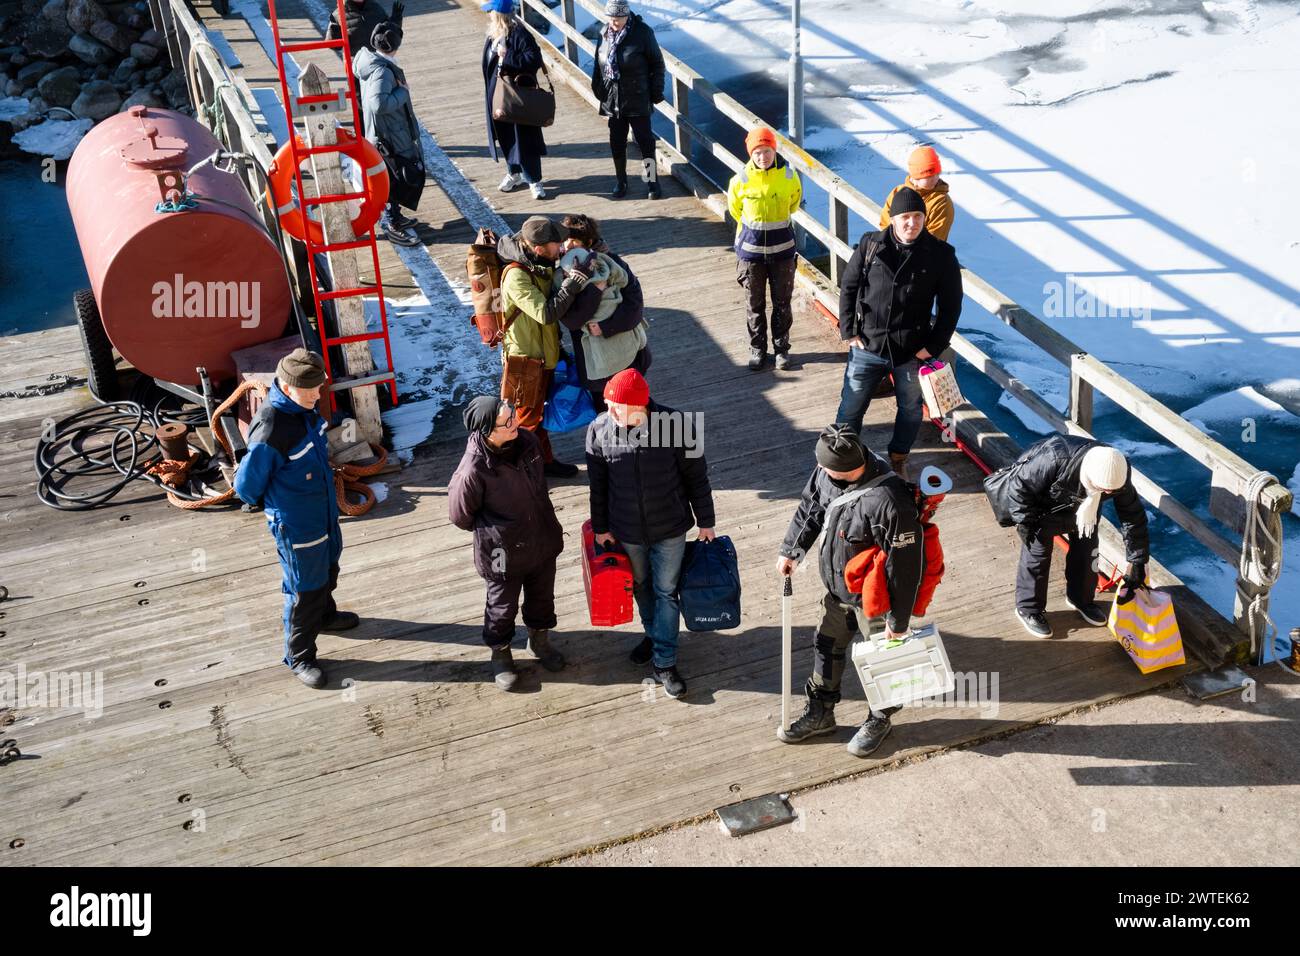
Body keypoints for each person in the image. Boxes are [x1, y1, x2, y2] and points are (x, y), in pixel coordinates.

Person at [775, 424, 924, 757]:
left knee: (882, 662)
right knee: (826, 647)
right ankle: (821, 713)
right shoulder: (826, 473)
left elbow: (905, 566)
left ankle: (880, 719)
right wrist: (792, 550)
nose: (820, 472)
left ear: (846, 467)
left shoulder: (890, 501)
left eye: (825, 468)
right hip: (838, 592)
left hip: (877, 601)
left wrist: (898, 621)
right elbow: (811, 507)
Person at [585, 369, 716, 699]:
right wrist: (600, 527)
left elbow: (697, 479)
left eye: (617, 406)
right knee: (641, 587)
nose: (610, 413)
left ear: (639, 405)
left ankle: (665, 662)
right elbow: (597, 487)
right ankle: (655, 633)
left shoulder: (676, 426)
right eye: (608, 404)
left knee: (666, 592)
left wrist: (706, 521)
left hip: (669, 528)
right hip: (626, 530)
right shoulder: (599, 430)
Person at [234, 349, 359, 689]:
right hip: (296, 524)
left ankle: (326, 616)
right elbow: (245, 486)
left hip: (323, 515)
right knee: (304, 589)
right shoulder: (272, 426)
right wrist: (277, 505)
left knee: (329, 567)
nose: (318, 395)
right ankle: (299, 655)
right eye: (310, 390)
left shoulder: (304, 408)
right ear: (288, 388)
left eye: (319, 387)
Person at [836, 186, 963, 479]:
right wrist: (849, 332)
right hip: (868, 343)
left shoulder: (941, 255)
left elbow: (951, 307)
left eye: (918, 216)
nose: (911, 223)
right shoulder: (871, 244)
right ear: (893, 219)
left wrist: (932, 347)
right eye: (905, 216)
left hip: (912, 350)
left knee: (910, 409)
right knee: (851, 406)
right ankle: (844, 457)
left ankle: (898, 457)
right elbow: (849, 287)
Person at [448, 395, 566, 690]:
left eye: (512, 413)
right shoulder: (472, 469)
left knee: (542, 597)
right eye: (507, 420)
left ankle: (539, 641)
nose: (515, 421)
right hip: (501, 552)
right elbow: (460, 515)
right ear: (488, 430)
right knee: (501, 607)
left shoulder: (528, 442)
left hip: (541, 537)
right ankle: (500, 655)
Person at [988, 436, 1149, 639]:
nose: (1109, 492)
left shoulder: (1118, 469)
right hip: (1042, 508)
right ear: (1091, 475)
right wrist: (1026, 523)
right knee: (1037, 556)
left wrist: (1138, 561)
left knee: (1087, 553)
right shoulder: (1053, 458)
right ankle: (1028, 609)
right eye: (1104, 488)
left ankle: (1080, 599)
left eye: (1112, 490)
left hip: (1085, 511)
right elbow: (1020, 488)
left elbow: (1132, 515)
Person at [498, 215, 600, 478]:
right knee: (524, 422)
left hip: (544, 356)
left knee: (536, 418)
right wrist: (575, 281)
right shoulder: (516, 276)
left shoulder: (539, 263)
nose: (563, 246)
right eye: (558, 243)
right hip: (526, 362)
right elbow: (545, 313)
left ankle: (544, 462)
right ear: (539, 248)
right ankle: (522, 474)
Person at [726, 125, 802, 372]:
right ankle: (757, 349)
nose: (763, 157)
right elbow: (735, 210)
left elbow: (794, 204)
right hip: (751, 253)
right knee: (754, 304)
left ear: (774, 150)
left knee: (782, 303)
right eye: (757, 152)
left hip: (783, 253)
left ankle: (782, 350)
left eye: (767, 150)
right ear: (751, 154)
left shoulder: (790, 177)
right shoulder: (740, 180)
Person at [558, 213, 650, 411]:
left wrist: (605, 327)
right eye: (563, 242)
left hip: (629, 356)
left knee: (636, 407)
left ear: (588, 242)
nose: (566, 247)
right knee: (606, 414)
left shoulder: (612, 263)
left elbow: (635, 305)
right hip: (596, 365)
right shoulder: (562, 275)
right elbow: (572, 321)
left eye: (572, 242)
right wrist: (595, 291)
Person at [355, 22, 424, 247]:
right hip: (389, 135)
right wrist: (402, 93)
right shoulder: (382, 70)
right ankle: (390, 222)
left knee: (392, 176)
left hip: (383, 131)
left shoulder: (370, 62)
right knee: (395, 178)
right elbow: (377, 104)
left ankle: (395, 216)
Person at [590, 1, 665, 200]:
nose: (613, 22)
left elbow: (657, 63)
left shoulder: (643, 33)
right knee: (616, 142)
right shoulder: (604, 32)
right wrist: (597, 87)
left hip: (638, 97)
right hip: (612, 99)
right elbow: (598, 63)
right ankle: (621, 181)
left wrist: (656, 92)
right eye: (611, 18)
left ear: (626, 16)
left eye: (617, 19)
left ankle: (652, 181)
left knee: (645, 142)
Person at [482, 0, 549, 200]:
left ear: (499, 15)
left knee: (525, 139)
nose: (488, 15)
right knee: (506, 136)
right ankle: (515, 173)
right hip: (498, 96)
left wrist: (507, 56)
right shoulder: (494, 35)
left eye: (491, 11)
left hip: (519, 98)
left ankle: (534, 180)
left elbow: (534, 59)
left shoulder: (519, 33)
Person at [328, 0, 402, 137]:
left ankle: (388, 142)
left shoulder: (375, 8)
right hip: (358, 71)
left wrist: (396, 21)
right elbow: (333, 45)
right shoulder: (339, 13)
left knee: (383, 102)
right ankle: (364, 142)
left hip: (379, 67)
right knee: (361, 108)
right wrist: (333, 28)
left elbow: (387, 35)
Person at [879, 146, 955, 243]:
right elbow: (885, 222)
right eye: (929, 176)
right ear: (916, 176)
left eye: (937, 174)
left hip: (923, 255)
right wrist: (894, 244)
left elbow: (935, 238)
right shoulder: (897, 192)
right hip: (893, 250)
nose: (935, 178)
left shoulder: (941, 202)